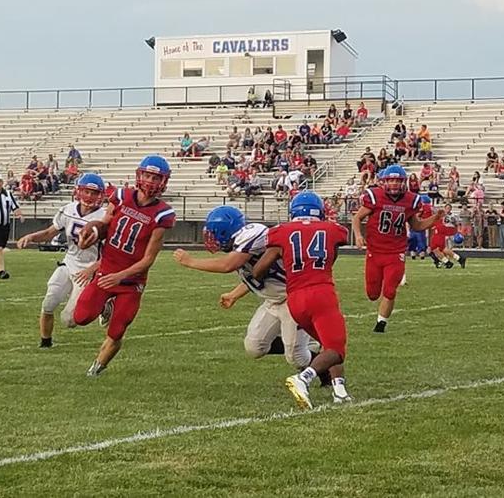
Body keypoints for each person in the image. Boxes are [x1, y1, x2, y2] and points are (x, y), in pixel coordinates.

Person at [173, 205, 315, 371]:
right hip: (272, 301)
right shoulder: (242, 246)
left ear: (225, 230)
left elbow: (228, 265)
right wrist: (235, 294)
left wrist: (191, 262)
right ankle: (297, 345)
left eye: (213, 232)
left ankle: (321, 363)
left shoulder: (253, 233)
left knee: (297, 359)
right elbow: (255, 275)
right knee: (254, 347)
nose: (211, 237)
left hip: (293, 299)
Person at [74, 155, 175, 376]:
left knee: (117, 330)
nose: (150, 181)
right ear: (139, 175)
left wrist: (121, 276)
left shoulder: (162, 214)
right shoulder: (121, 196)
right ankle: (105, 305)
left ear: (163, 182)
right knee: (80, 317)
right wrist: (89, 231)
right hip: (105, 272)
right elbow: (103, 225)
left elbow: (148, 259)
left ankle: (95, 370)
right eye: (147, 175)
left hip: (131, 282)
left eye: (155, 177)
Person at [253, 191, 352, 409]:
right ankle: (303, 379)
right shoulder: (333, 229)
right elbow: (331, 255)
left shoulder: (280, 233)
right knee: (337, 349)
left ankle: (340, 391)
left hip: (295, 300)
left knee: (329, 345)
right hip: (321, 293)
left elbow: (258, 270)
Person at [17, 174, 107, 348]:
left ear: (100, 195)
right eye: (86, 191)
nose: (89, 196)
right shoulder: (68, 209)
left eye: (94, 193)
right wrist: (31, 236)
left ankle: (103, 304)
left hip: (88, 269)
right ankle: (45, 343)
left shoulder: (105, 218)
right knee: (48, 303)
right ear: (79, 191)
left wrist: (92, 270)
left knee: (69, 320)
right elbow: (49, 232)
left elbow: (112, 254)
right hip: (69, 263)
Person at [352, 166, 444, 333]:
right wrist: (358, 235)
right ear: (384, 182)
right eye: (391, 180)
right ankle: (380, 317)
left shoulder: (411, 200)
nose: (394, 183)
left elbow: (417, 225)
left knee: (390, 290)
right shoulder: (375, 196)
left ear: (404, 182)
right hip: (374, 251)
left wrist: (435, 218)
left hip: (396, 252)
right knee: (372, 294)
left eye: (398, 180)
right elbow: (357, 217)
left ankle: (381, 324)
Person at [429, 204, 465, 269]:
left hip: (443, 232)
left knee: (437, 249)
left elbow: (455, 224)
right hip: (441, 232)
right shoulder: (440, 216)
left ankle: (447, 262)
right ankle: (457, 259)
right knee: (442, 249)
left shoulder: (445, 216)